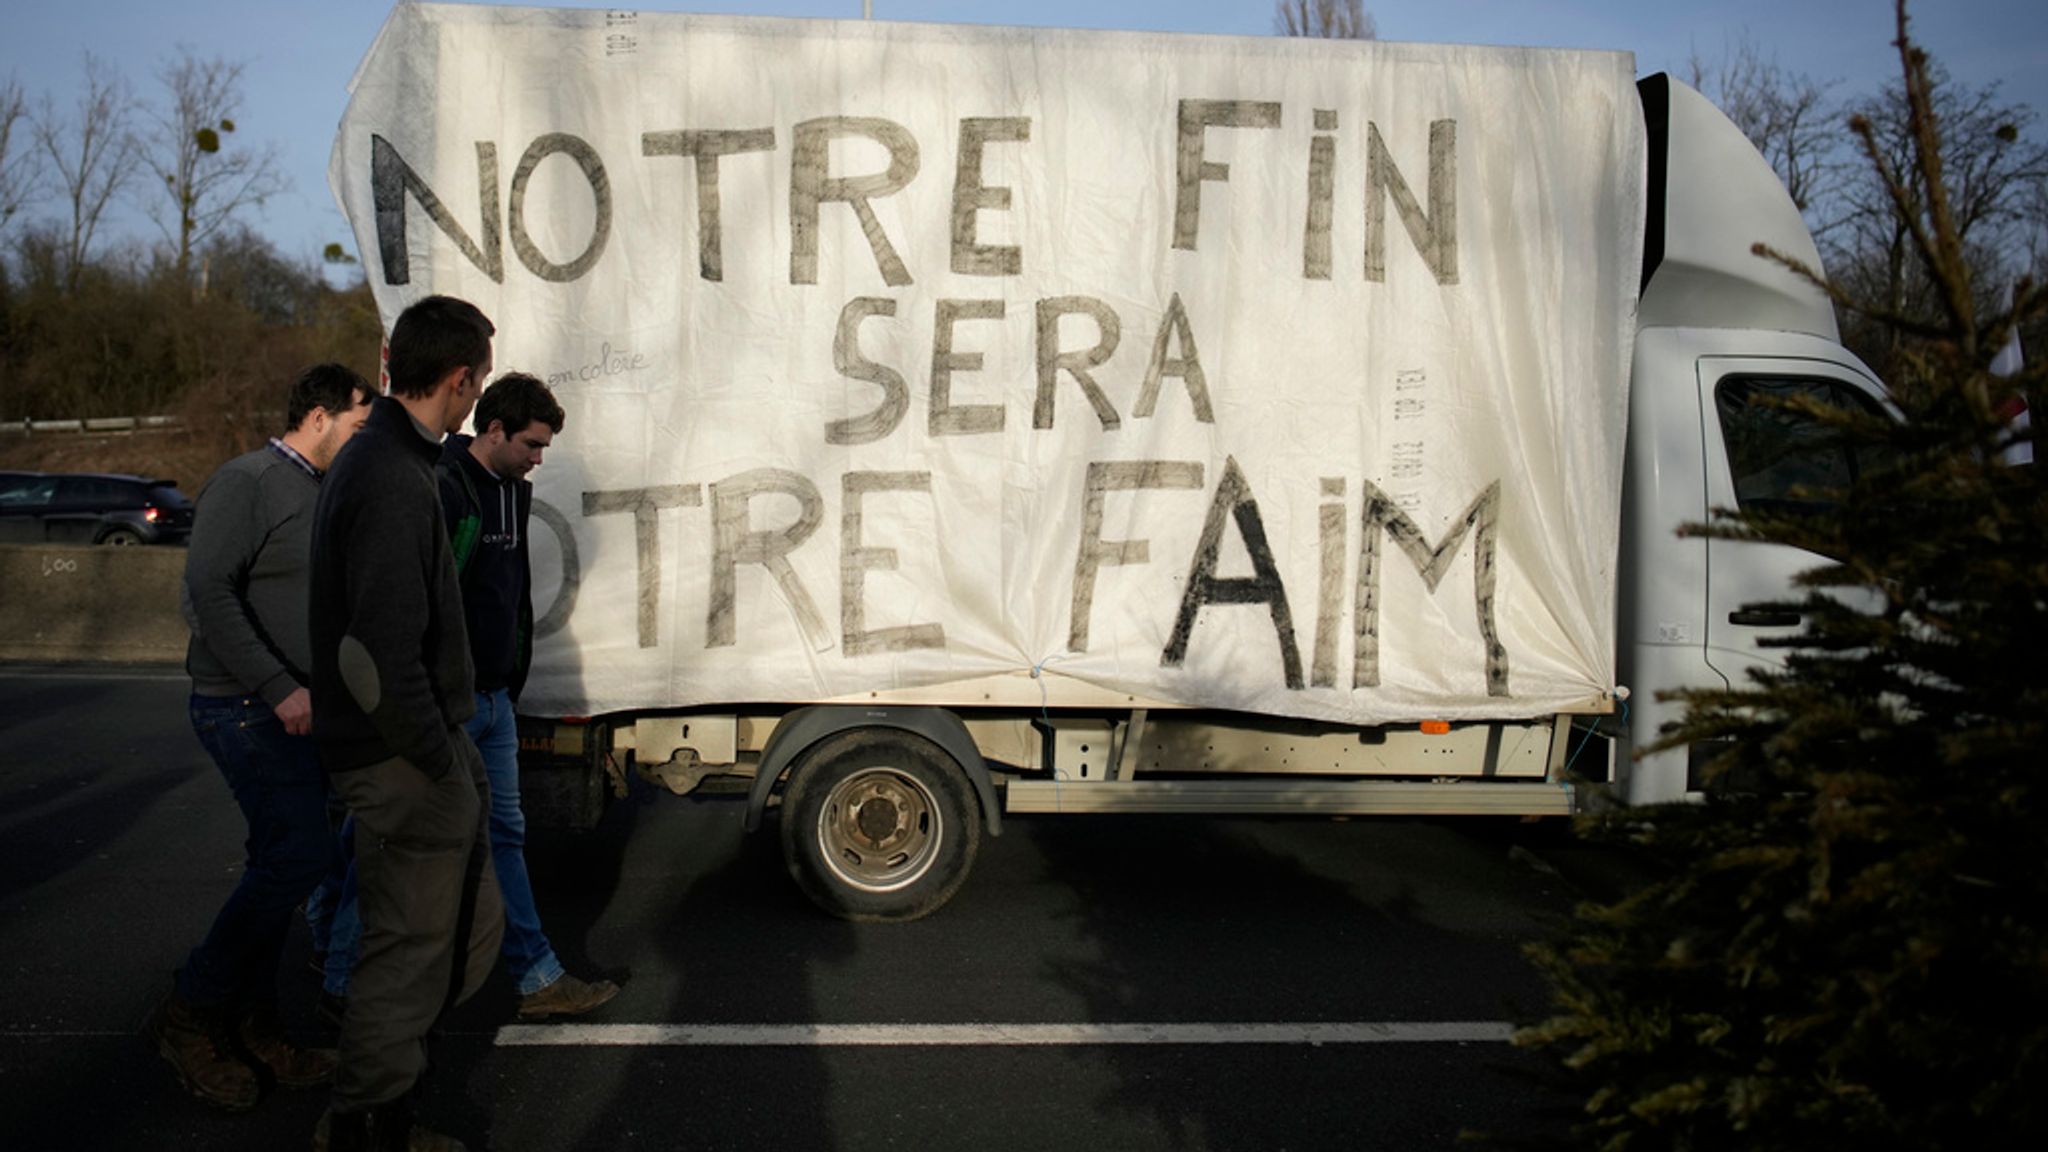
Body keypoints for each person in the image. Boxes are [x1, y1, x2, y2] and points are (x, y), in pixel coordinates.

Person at [308, 295, 505, 1151]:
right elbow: (378, 654)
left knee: (453, 937)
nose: (478, 397)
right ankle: (368, 1127)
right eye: (478, 382)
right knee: (408, 948)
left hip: (416, 747)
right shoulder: (390, 473)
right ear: (458, 379)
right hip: (401, 756)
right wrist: (438, 760)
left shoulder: (392, 457)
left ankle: (386, 1102)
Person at [151, 363, 373, 1111]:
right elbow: (207, 592)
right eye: (357, 424)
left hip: (296, 711)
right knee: (299, 856)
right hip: (244, 706)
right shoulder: (246, 481)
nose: (362, 438)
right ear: (319, 417)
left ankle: (255, 1023)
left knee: (281, 861)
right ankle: (191, 1012)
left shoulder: (318, 490)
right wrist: (279, 687)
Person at [438, 372, 619, 1020]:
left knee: (506, 838)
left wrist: (508, 681)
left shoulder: (513, 492)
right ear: (494, 430)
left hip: (495, 702)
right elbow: (428, 602)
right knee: (396, 842)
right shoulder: (447, 487)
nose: (539, 458)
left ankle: (537, 977)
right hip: (451, 707)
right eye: (532, 444)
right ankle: (341, 976)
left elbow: (509, 595)